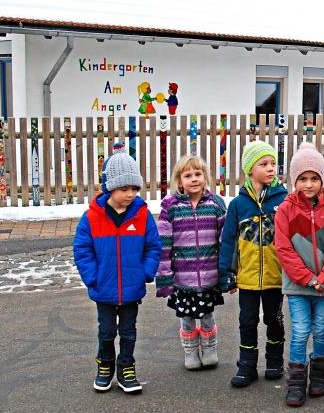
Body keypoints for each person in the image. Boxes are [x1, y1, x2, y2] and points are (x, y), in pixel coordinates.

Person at [74, 152, 161, 394]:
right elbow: (82, 249)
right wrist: (93, 277)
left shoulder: (141, 214)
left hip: (132, 288)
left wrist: (146, 272)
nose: (131, 194)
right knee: (106, 331)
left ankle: (126, 367)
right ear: (110, 187)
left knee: (128, 331)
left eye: (134, 188)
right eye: (124, 188)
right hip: (104, 288)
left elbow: (154, 246)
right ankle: (105, 365)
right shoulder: (92, 216)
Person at [274, 142, 324, 406]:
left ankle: (319, 377)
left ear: (322, 179)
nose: (308, 184)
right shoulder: (285, 210)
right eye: (303, 179)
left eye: (314, 178)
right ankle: (295, 382)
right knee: (300, 331)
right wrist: (307, 278)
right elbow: (283, 248)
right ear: (294, 180)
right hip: (299, 286)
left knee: (320, 330)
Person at [218, 140, 288, 387]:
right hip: (247, 277)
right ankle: (246, 365)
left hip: (275, 277)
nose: (271, 169)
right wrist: (227, 273)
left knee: (274, 319)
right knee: (247, 320)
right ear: (250, 170)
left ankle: (274, 360)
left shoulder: (284, 200)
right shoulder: (238, 204)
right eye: (264, 164)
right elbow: (228, 240)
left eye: (273, 164)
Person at [155, 154, 226, 371]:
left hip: (209, 275)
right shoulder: (171, 207)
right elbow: (164, 244)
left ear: (205, 177)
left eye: (198, 174)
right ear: (179, 180)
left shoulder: (215, 204)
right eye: (188, 175)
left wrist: (227, 273)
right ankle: (190, 351)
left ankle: (210, 349)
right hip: (182, 277)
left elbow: (225, 240)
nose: (194, 179)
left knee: (207, 315)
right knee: (186, 317)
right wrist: (164, 276)